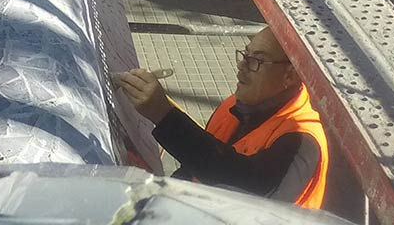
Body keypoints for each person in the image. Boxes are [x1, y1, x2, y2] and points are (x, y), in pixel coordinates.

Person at [115, 26, 327, 209]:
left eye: (256, 61)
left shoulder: (302, 141)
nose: (241, 66)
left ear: (289, 75)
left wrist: (164, 116)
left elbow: (249, 189)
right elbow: (195, 169)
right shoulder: (233, 107)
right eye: (245, 54)